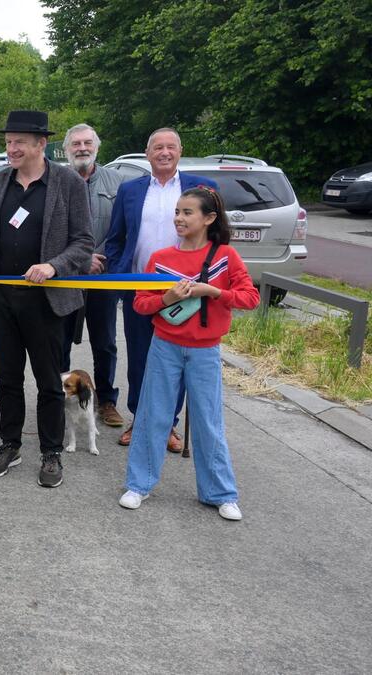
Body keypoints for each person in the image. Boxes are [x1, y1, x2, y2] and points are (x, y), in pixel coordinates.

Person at [0, 110, 94, 488]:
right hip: (3, 300)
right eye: (8, 142)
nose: (11, 148)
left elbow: (84, 242)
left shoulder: (68, 183)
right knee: (7, 379)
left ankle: (51, 451)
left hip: (46, 303)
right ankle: (10, 444)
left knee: (49, 382)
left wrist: (54, 266)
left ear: (41, 144)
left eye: (19, 142)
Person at [120, 187, 258, 520]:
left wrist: (213, 291)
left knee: (208, 421)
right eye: (177, 212)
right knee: (152, 416)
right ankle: (138, 484)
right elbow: (141, 303)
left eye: (187, 212)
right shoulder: (160, 259)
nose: (179, 219)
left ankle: (220, 493)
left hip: (206, 351)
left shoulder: (226, 256)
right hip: (164, 346)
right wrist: (166, 299)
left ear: (209, 218)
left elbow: (250, 298)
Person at [104, 128, 218, 451]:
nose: (164, 152)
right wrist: (119, 276)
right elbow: (115, 238)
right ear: (147, 153)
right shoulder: (130, 190)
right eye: (158, 147)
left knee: (177, 360)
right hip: (140, 289)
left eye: (170, 147)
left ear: (180, 151)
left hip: (186, 290)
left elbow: (217, 236)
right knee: (140, 358)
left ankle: (168, 424)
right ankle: (140, 419)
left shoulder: (201, 188)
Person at [61, 124, 125, 429]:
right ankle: (59, 399)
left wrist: (100, 259)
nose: (82, 148)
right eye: (76, 144)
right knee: (58, 342)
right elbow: (50, 230)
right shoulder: (56, 181)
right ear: (66, 149)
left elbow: (123, 229)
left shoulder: (118, 183)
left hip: (103, 277)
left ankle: (107, 401)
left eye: (87, 142)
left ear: (97, 147)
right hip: (66, 278)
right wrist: (81, 260)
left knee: (105, 343)